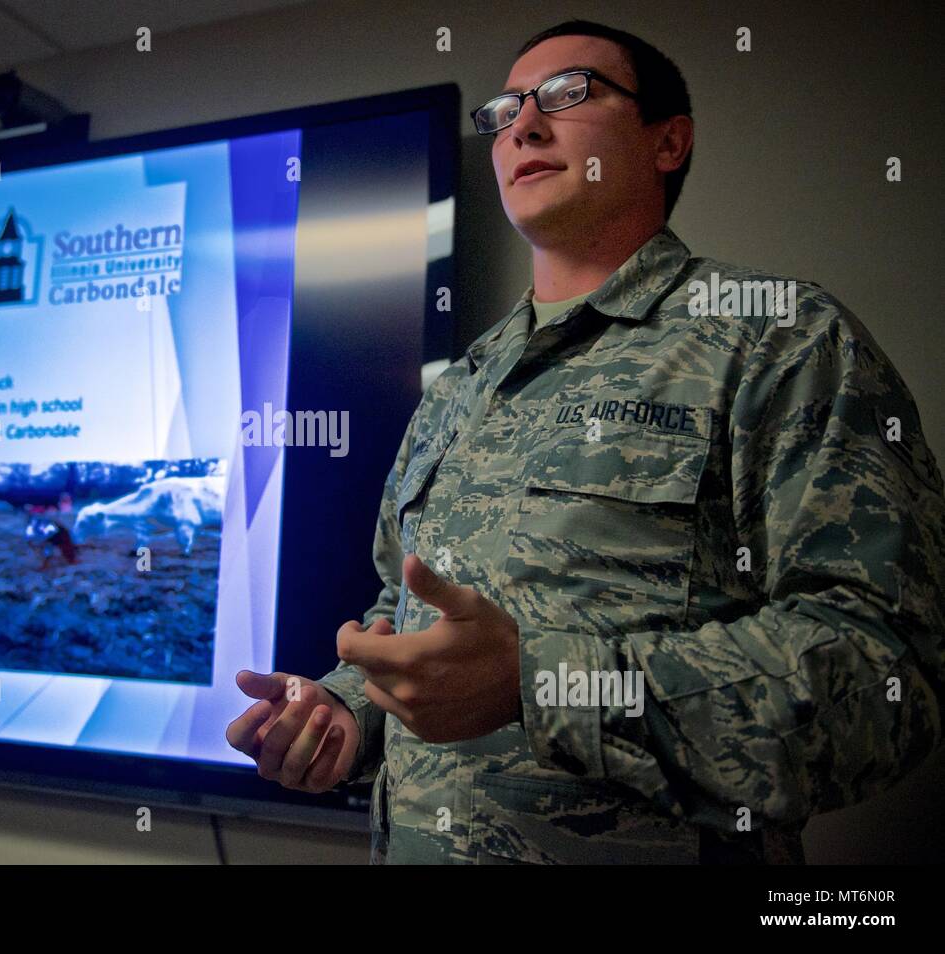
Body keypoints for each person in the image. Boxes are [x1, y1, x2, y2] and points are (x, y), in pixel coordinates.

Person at [226, 19, 945, 864]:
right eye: (504, 111)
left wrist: (545, 683)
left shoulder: (779, 339)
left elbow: (885, 679)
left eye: (572, 94)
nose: (523, 125)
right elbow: (403, 610)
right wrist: (349, 705)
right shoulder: (457, 389)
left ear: (668, 140)